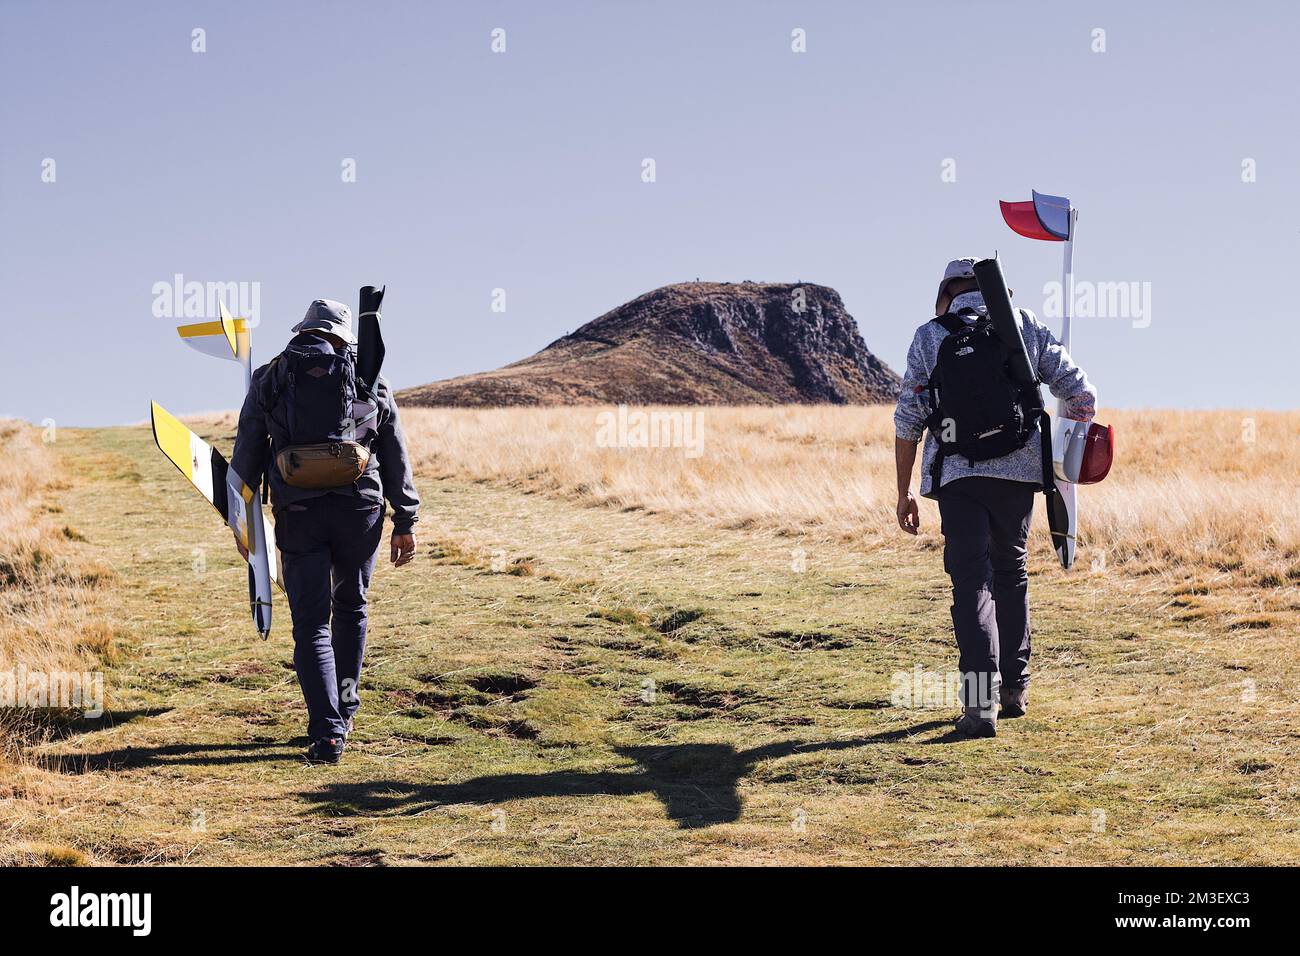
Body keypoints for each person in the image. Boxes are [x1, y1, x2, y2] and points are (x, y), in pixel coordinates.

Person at [893, 258, 1096, 738]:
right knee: (1012, 572)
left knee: (971, 583)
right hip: (1019, 475)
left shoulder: (930, 335)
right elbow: (1080, 392)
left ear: (946, 292)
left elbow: (908, 419)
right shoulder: (1023, 325)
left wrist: (903, 493)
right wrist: (1070, 453)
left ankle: (978, 705)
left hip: (958, 475)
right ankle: (1014, 690)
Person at [231, 299, 420, 764]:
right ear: (341, 334)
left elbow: (247, 455)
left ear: (303, 331)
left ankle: (327, 732)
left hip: (299, 512)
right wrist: (406, 519)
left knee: (312, 622)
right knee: (351, 605)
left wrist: (245, 526)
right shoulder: (369, 375)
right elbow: (393, 452)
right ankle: (347, 707)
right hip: (360, 507)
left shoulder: (271, 377)